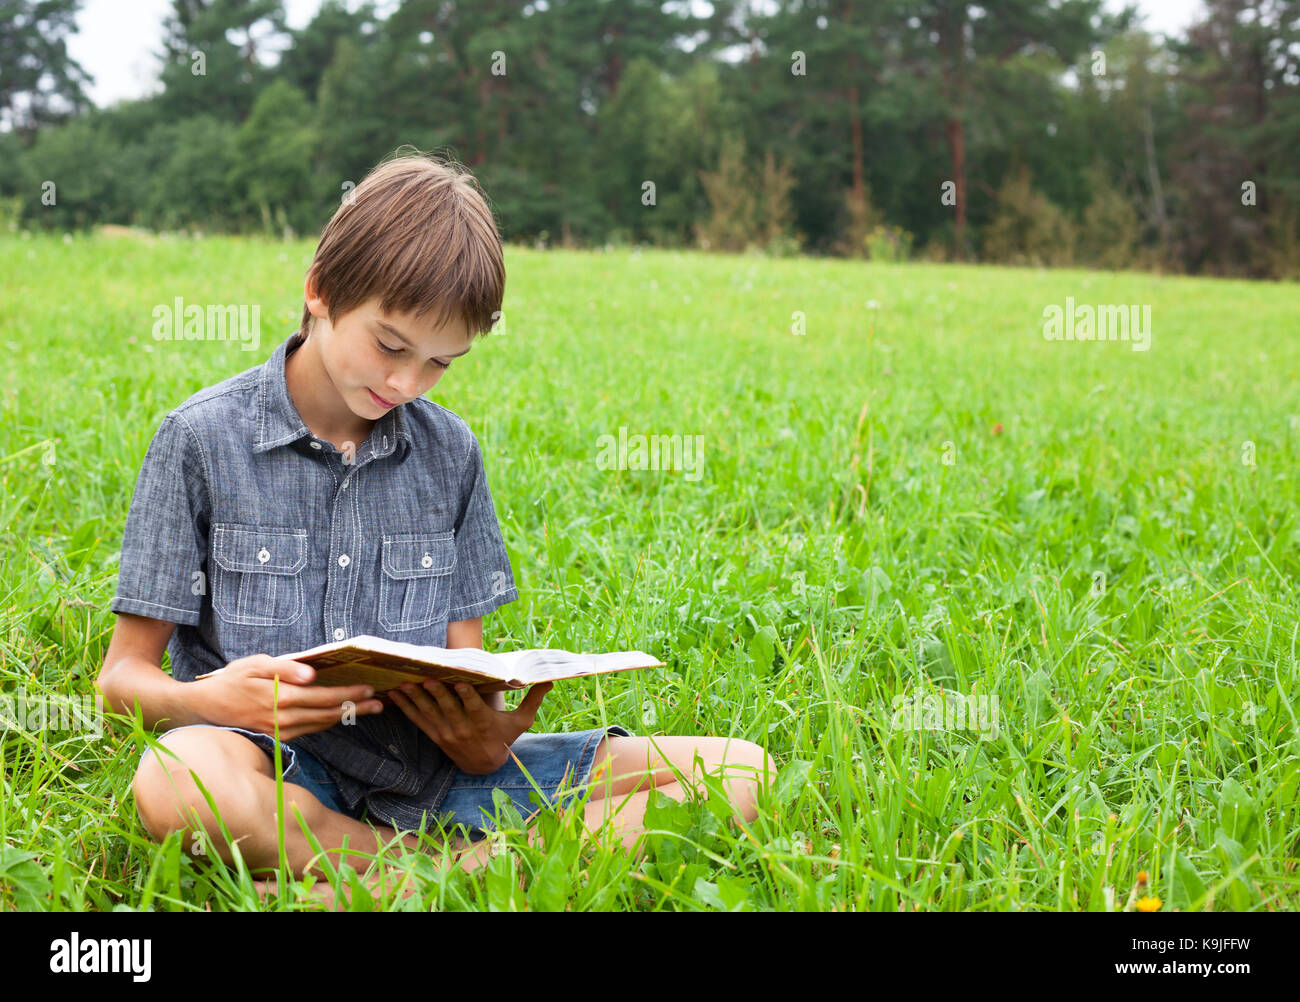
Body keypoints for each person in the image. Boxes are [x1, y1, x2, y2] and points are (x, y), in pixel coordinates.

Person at [97, 151, 776, 900]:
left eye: (439, 364)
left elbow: (469, 667)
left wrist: (484, 737)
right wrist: (212, 700)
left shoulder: (450, 453)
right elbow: (121, 681)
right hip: (273, 766)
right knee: (175, 784)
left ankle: (380, 881)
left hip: (437, 779)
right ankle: (461, 871)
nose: (404, 384)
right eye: (390, 346)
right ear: (320, 290)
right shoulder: (200, 439)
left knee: (741, 772)